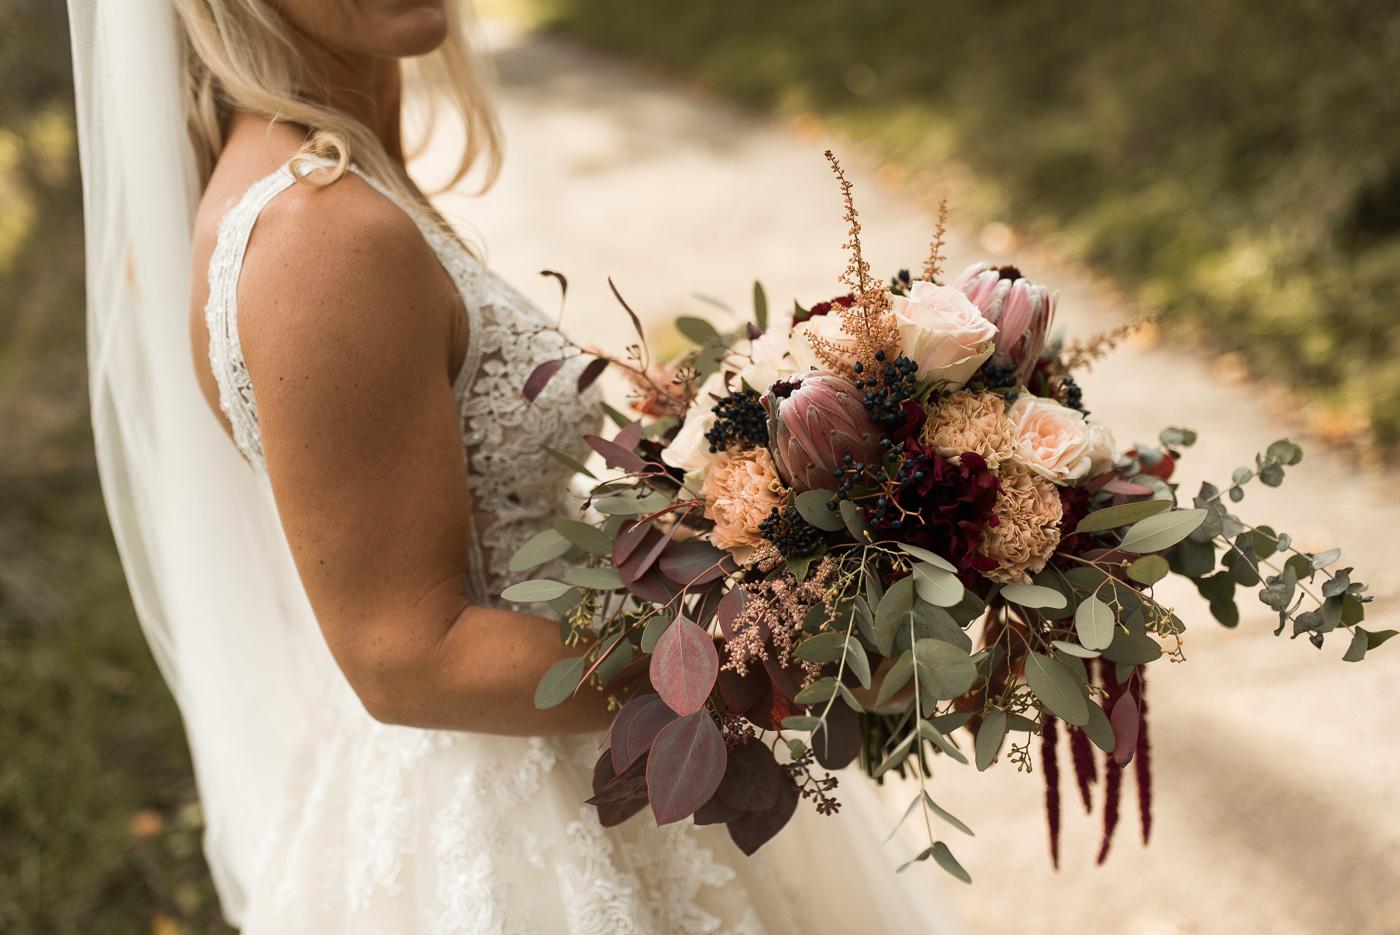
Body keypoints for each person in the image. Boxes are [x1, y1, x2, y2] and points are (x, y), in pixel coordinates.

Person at [68, 0, 970, 930]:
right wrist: (770, 651)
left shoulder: (323, 177)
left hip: (565, 737)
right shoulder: (320, 231)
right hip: (514, 818)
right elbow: (404, 659)